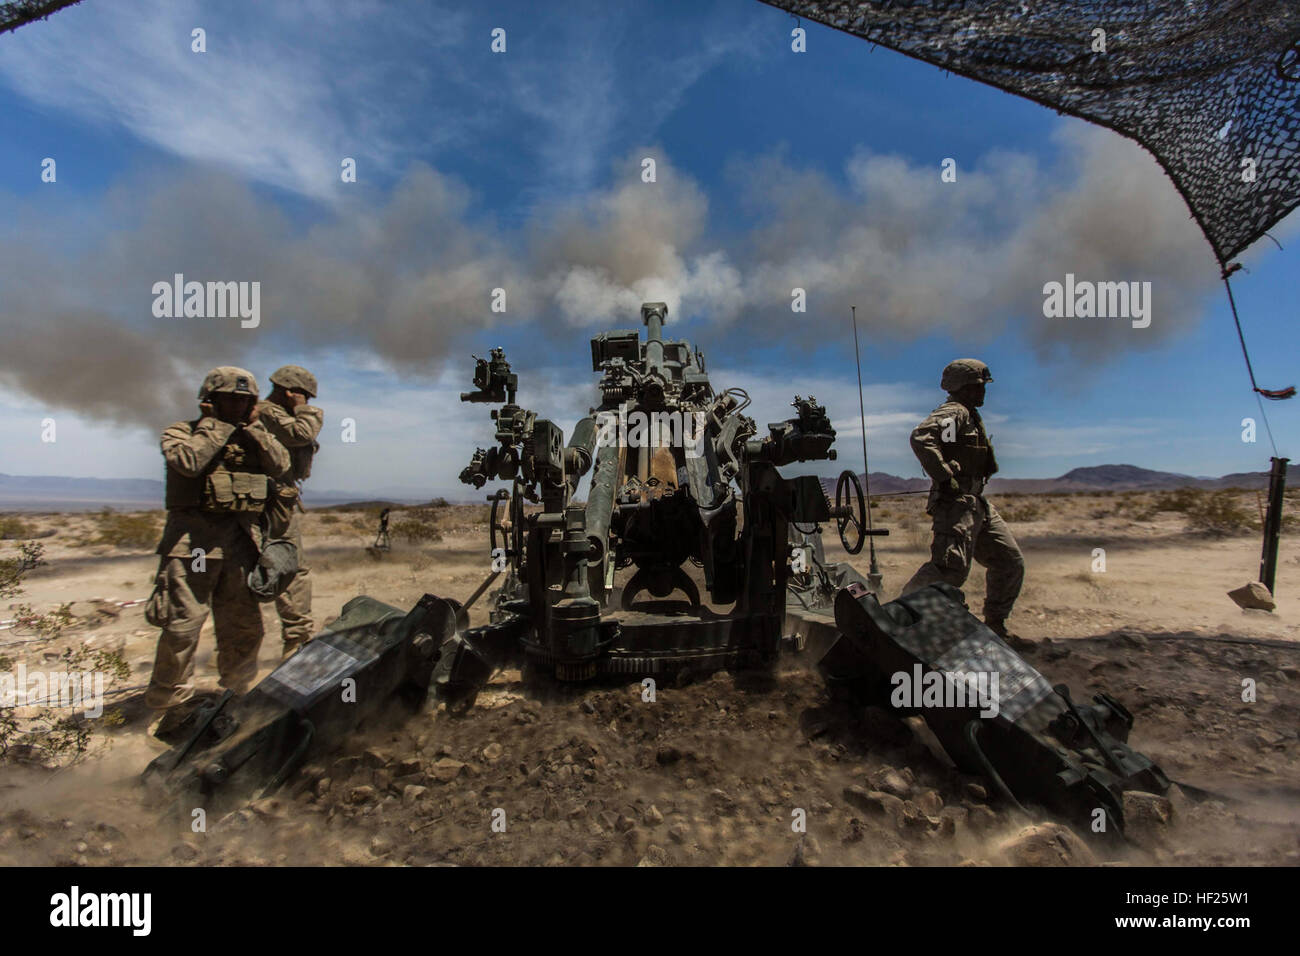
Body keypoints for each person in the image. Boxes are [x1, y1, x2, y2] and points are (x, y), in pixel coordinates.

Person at [144, 367, 291, 724]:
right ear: (209, 401)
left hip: (240, 545)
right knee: (183, 627)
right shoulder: (184, 432)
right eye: (231, 399)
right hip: (192, 546)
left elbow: (282, 464)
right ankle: (169, 707)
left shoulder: (252, 436)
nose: (238, 406)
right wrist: (216, 426)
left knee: (243, 627)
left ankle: (234, 696)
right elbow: (189, 462)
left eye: (246, 400)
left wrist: (256, 429)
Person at [900, 359, 1028, 648]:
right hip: (956, 504)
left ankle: (995, 627)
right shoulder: (954, 412)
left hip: (976, 502)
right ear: (964, 387)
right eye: (978, 385)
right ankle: (895, 615)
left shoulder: (968, 414)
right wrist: (945, 478)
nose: (983, 391)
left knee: (1009, 562)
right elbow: (921, 438)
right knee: (949, 570)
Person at [256, 365, 323, 658]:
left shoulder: (273, 414)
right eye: (303, 396)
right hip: (267, 505)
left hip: (276, 502)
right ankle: (296, 640)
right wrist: (304, 410)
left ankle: (297, 639)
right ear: (290, 392)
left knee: (291, 568)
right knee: (288, 568)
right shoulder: (267, 413)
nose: (306, 402)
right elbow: (302, 433)